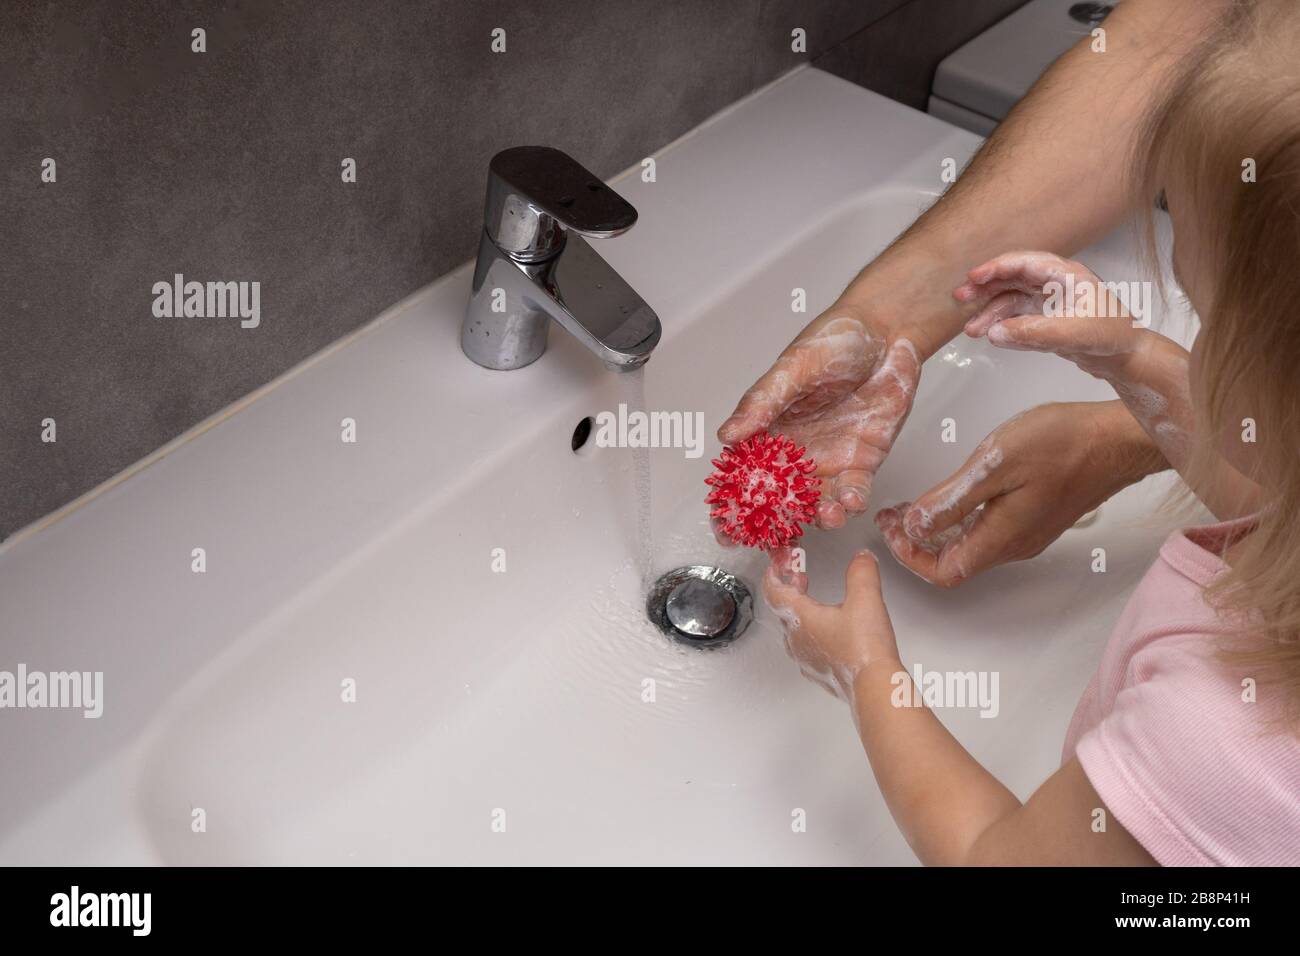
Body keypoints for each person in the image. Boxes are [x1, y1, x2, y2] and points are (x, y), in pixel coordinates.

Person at [753, 0, 1300, 863]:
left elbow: (996, 856)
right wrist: (1130, 357)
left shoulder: (1220, 743)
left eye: (1194, 309)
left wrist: (869, 677)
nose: (1184, 331)